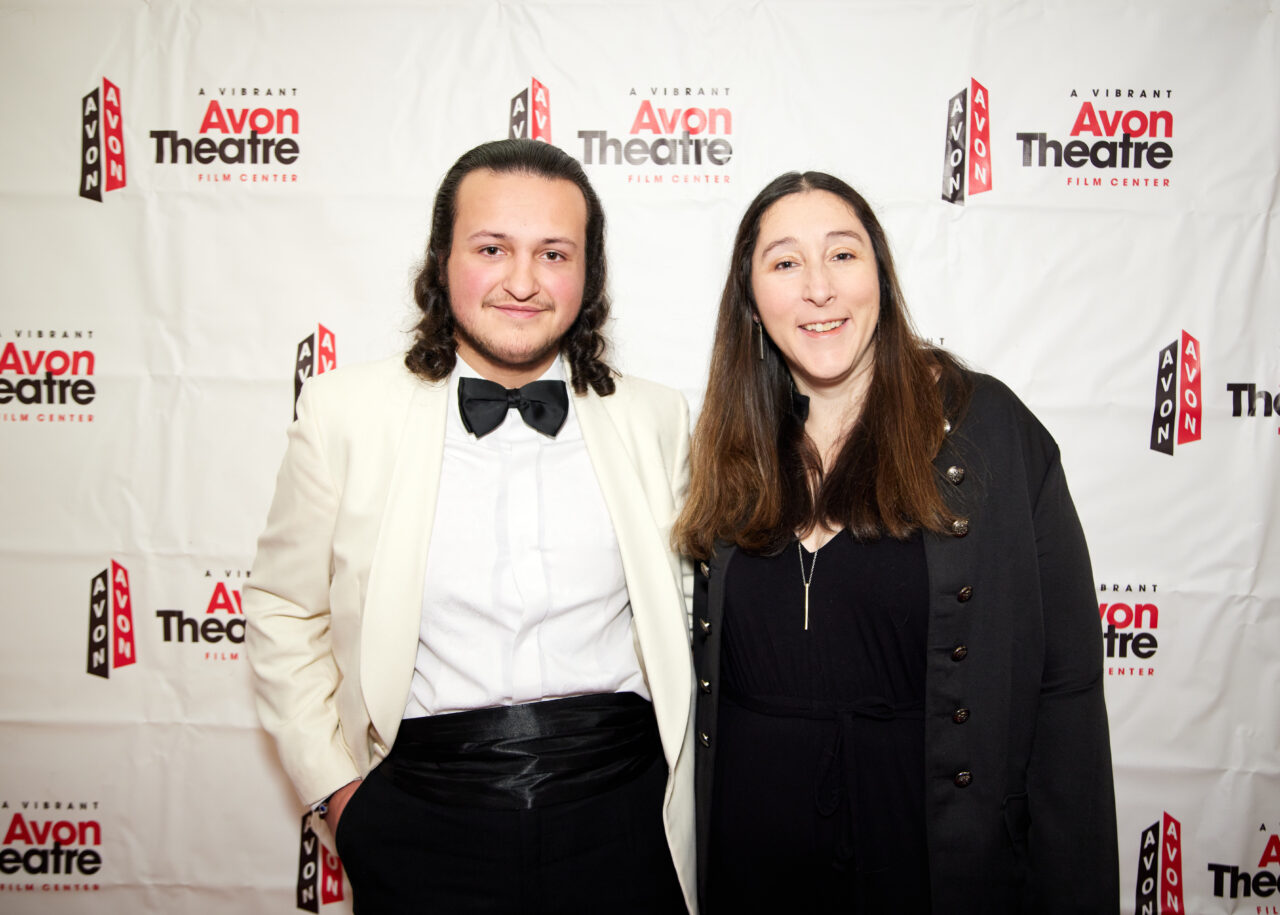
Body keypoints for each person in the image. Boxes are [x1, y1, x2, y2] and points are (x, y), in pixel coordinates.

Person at [245, 139, 695, 914]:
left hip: (624, 814)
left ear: (588, 274)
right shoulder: (342, 414)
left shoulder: (655, 416)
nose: (523, 281)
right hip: (419, 818)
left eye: (554, 253)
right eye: (492, 248)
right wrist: (339, 794)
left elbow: (693, 610)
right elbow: (284, 607)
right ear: (441, 259)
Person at [674, 171, 1118, 913]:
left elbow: (1064, 687)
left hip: (923, 858)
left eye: (843, 255)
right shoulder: (726, 448)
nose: (819, 288)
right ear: (751, 299)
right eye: (785, 263)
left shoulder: (987, 434)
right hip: (752, 858)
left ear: (880, 272)